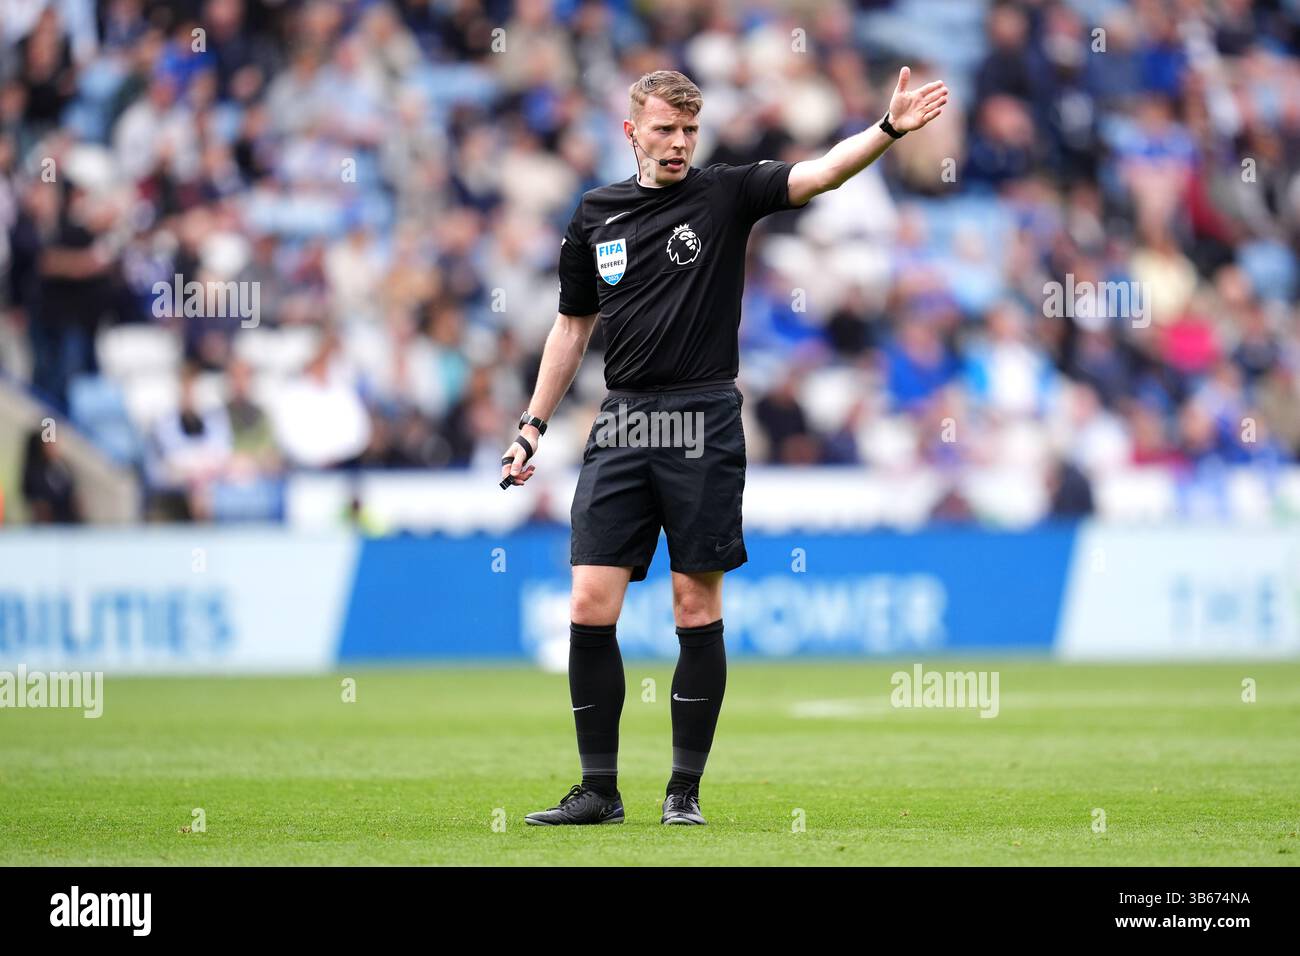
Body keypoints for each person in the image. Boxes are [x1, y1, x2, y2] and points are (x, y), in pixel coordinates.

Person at [501, 68, 948, 826]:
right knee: (588, 599)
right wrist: (532, 426)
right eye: (664, 129)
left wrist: (888, 130)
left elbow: (822, 174)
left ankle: (683, 792)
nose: (678, 144)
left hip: (702, 416)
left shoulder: (726, 193)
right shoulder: (596, 214)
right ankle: (599, 790)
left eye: (688, 131)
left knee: (693, 602)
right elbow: (572, 326)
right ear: (631, 130)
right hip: (624, 421)